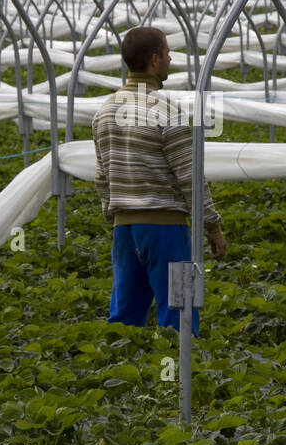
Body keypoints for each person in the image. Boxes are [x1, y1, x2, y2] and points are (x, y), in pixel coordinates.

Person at [91, 26, 226, 337]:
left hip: (125, 231)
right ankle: (179, 381)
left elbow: (102, 178)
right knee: (183, 308)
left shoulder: (104, 111)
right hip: (166, 228)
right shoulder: (168, 112)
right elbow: (191, 177)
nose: (170, 58)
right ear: (154, 60)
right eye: (166, 53)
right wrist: (213, 227)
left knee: (124, 316)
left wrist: (116, 217)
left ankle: (119, 378)